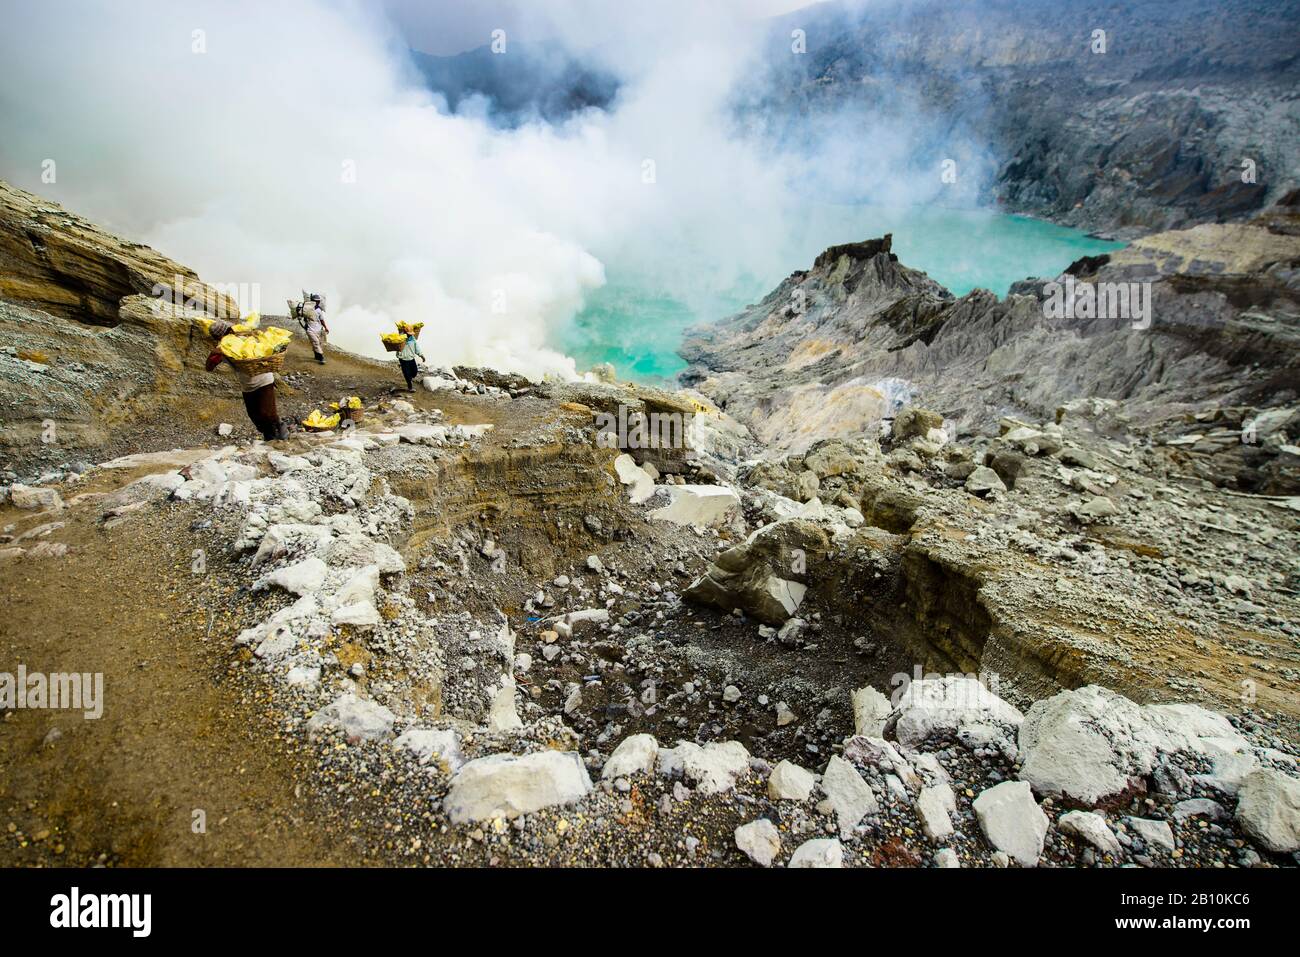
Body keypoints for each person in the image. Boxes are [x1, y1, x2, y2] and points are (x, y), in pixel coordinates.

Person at [205, 319, 287, 441]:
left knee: (268, 413)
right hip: (247, 385)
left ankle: (280, 435)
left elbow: (262, 350)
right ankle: (269, 437)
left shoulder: (245, 340)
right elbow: (209, 367)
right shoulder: (222, 349)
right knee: (255, 416)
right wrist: (214, 353)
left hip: (264, 380)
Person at [304, 293, 329, 364]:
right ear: (312, 301)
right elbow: (304, 317)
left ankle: (316, 355)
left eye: (318, 301)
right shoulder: (307, 309)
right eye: (316, 301)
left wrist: (326, 327)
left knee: (319, 344)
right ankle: (321, 358)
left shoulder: (319, 310)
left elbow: (321, 320)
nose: (317, 302)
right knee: (316, 342)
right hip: (310, 330)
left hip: (319, 329)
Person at [397, 327, 424, 392]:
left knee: (414, 372)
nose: (410, 335)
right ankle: (410, 386)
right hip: (403, 359)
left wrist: (421, 355)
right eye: (409, 334)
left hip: (411, 358)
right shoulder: (400, 339)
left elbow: (417, 348)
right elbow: (397, 348)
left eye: (411, 334)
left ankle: (409, 378)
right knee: (407, 373)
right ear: (405, 333)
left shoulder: (413, 339)